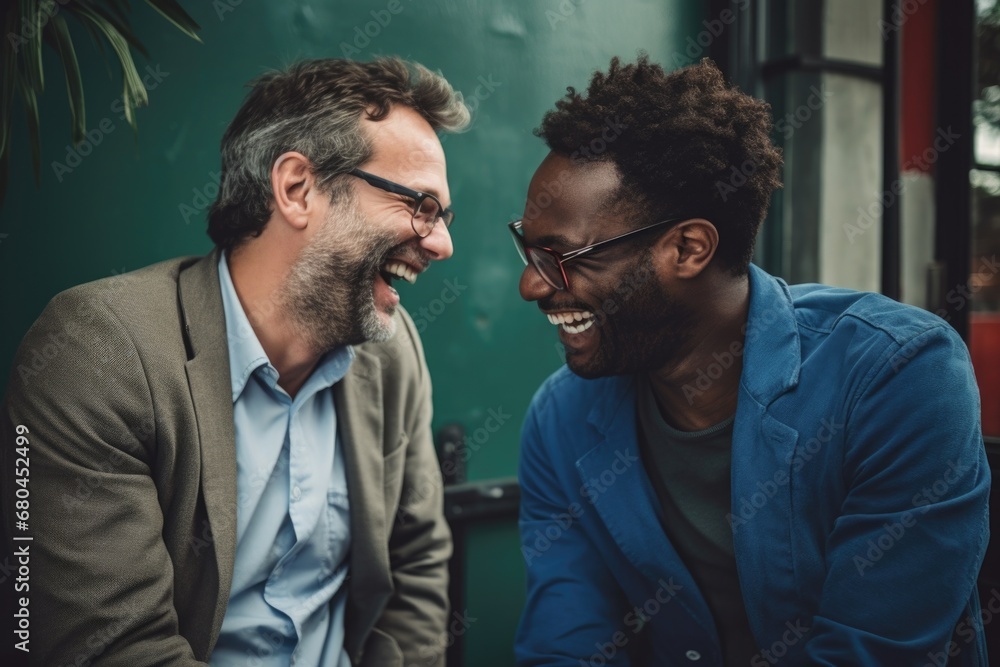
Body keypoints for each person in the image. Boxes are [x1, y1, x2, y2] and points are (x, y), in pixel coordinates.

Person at [510, 56, 991, 666]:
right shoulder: (561, 417)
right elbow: (566, 647)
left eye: (561, 256)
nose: (531, 285)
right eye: (528, 248)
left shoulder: (896, 375)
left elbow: (872, 654)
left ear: (687, 248)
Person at [1, 57, 468, 666]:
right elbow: (109, 648)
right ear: (298, 188)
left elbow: (417, 561)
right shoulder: (98, 351)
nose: (441, 242)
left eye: (443, 216)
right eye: (421, 205)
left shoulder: (392, 349)